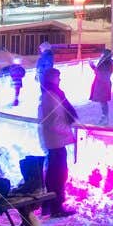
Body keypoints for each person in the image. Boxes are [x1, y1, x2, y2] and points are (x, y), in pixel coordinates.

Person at [37, 66, 78, 218]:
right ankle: (56, 207)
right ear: (52, 79)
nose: (59, 80)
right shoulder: (51, 96)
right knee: (58, 175)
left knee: (54, 174)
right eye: (57, 77)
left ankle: (49, 205)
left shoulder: (51, 94)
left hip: (55, 141)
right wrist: (68, 133)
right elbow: (53, 121)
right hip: (56, 141)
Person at [90, 48, 113, 125]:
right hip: (103, 84)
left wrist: (92, 66)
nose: (101, 55)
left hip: (103, 85)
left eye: (102, 54)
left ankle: (105, 117)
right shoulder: (107, 62)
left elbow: (101, 74)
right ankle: (104, 117)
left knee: (103, 101)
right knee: (102, 101)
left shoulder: (106, 63)